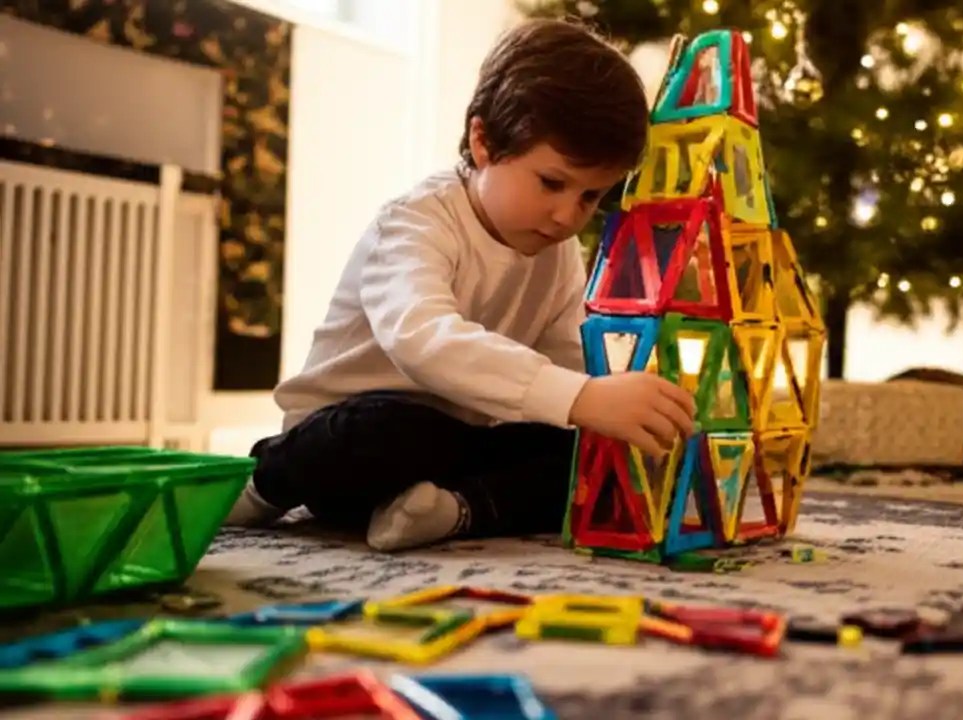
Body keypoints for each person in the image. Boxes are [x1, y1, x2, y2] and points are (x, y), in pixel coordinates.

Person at [224, 18, 696, 551]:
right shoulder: (415, 223)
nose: (568, 214)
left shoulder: (559, 251)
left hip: (458, 448)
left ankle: (451, 511)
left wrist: (611, 404)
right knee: (391, 430)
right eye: (552, 182)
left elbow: (566, 359)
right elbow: (423, 339)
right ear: (483, 142)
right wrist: (582, 396)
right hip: (359, 435)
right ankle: (265, 481)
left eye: (590, 197)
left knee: (580, 458)